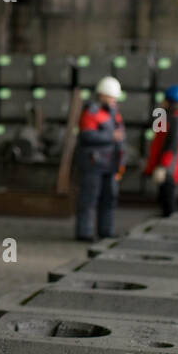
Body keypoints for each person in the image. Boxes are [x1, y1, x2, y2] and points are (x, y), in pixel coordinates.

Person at [75, 75, 126, 241]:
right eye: (111, 97)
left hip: (110, 163)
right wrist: (111, 136)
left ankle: (106, 231)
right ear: (102, 95)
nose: (113, 101)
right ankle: (85, 232)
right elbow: (86, 136)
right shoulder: (91, 111)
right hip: (93, 163)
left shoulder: (114, 113)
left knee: (109, 199)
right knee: (89, 199)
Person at [145, 84, 178, 217]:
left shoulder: (177, 119)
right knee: (164, 199)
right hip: (167, 166)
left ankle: (170, 227)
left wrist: (162, 166)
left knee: (168, 201)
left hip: (169, 168)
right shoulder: (170, 117)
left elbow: (172, 145)